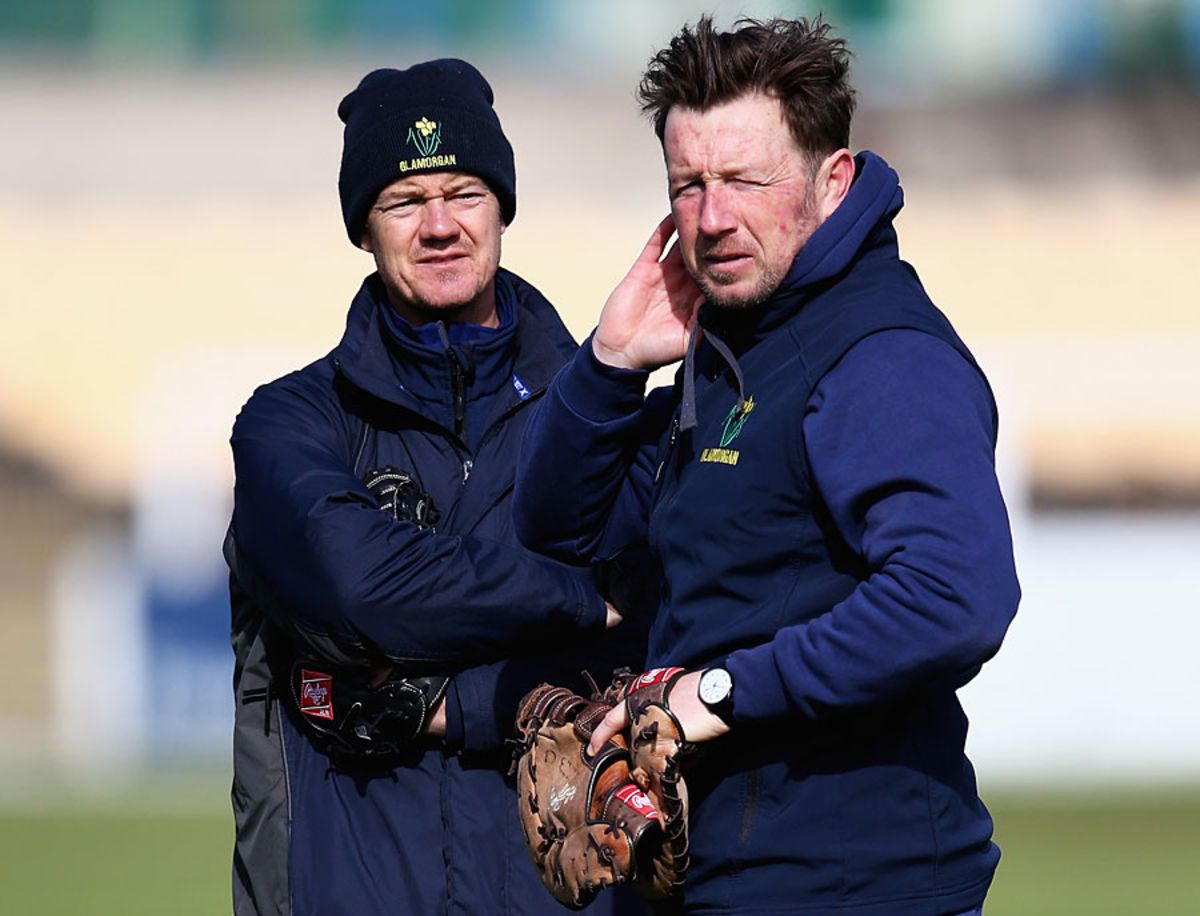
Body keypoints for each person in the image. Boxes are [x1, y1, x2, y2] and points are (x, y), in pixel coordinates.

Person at [514, 16, 1021, 916]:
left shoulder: (880, 356)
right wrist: (609, 367)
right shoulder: (733, 346)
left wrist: (716, 692)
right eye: (688, 185)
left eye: (746, 180)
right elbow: (556, 528)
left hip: (855, 883)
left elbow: (955, 596)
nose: (711, 218)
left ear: (834, 179)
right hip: (720, 876)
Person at [225, 59, 648, 916]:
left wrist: (431, 701)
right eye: (403, 201)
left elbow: (647, 612)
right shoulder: (287, 425)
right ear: (363, 229)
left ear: (502, 207)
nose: (439, 225)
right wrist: (573, 599)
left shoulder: (604, 413)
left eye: (462, 192)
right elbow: (364, 590)